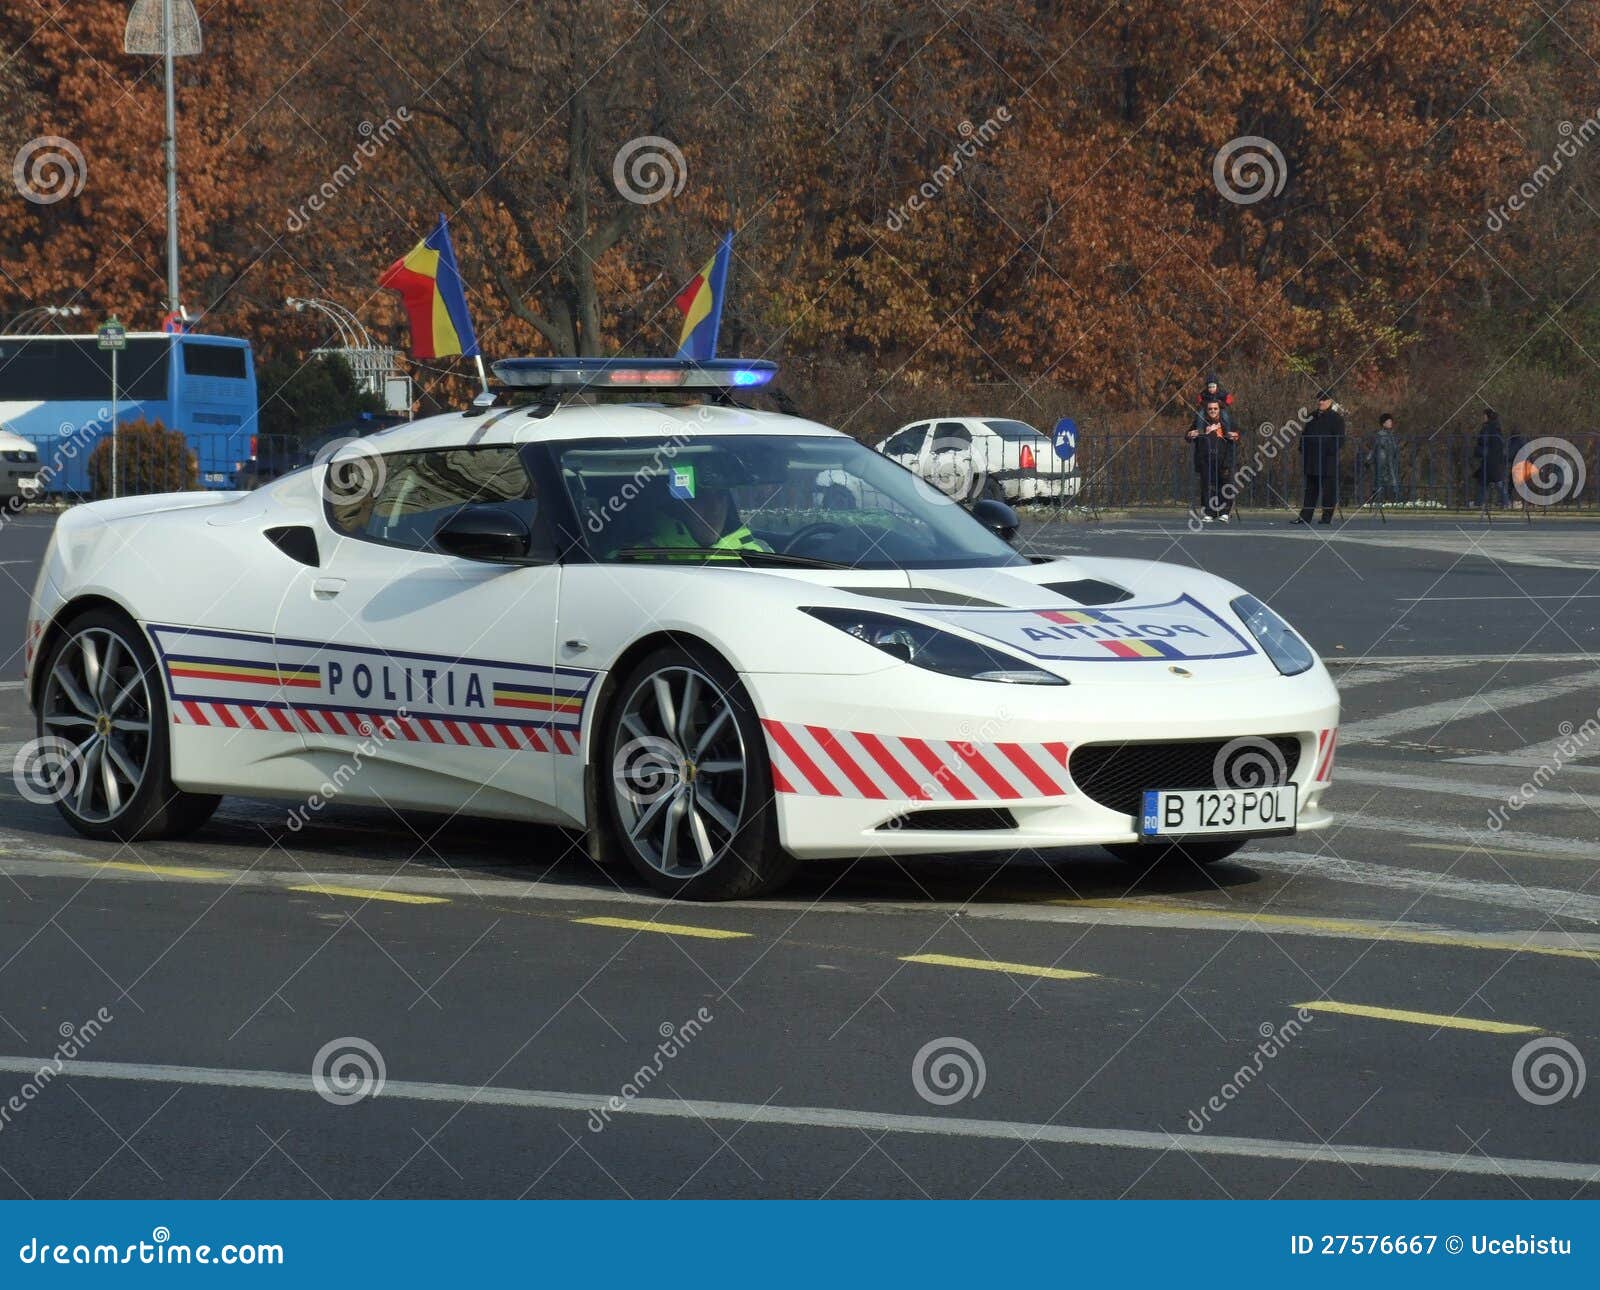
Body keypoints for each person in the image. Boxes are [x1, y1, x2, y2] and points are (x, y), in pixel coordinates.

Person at [1187, 397, 1239, 523]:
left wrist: (1235, 435)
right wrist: (1191, 434)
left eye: (1215, 408)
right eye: (1210, 409)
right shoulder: (1200, 422)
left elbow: (1238, 433)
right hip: (1205, 459)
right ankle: (1209, 512)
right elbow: (1188, 435)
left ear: (1219, 409)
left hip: (1224, 458)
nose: (1213, 411)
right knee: (1207, 486)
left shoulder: (1227, 421)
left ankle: (1224, 512)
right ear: (1206, 410)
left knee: (1225, 485)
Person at [1296, 390, 1344, 525]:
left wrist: (1329, 451)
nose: (1321, 402)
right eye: (1319, 399)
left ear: (1330, 401)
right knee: (1310, 490)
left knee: (1328, 490)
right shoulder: (1312, 416)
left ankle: (1326, 517)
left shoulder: (1337, 419)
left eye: (1324, 400)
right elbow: (1305, 434)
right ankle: (1305, 517)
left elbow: (1340, 440)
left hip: (1327, 460)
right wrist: (1302, 447)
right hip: (1312, 459)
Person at [1472, 408, 1508, 509]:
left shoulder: (1487, 429)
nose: (1482, 418)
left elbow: (1483, 442)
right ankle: (1504, 502)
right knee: (1491, 482)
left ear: (1487, 416)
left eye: (1484, 416)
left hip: (1489, 460)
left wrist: (1478, 450)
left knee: (1486, 483)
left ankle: (1480, 503)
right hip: (1496, 460)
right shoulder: (1497, 428)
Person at [1368, 413, 1402, 504]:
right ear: (1383, 424)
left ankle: (1391, 500)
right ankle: (1380, 499)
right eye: (1388, 421)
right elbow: (1375, 448)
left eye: (1391, 421)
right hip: (1382, 461)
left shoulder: (1391, 435)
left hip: (1390, 461)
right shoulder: (1380, 435)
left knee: (1391, 480)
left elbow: (1394, 448)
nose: (1391, 423)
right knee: (1381, 480)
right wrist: (1369, 459)